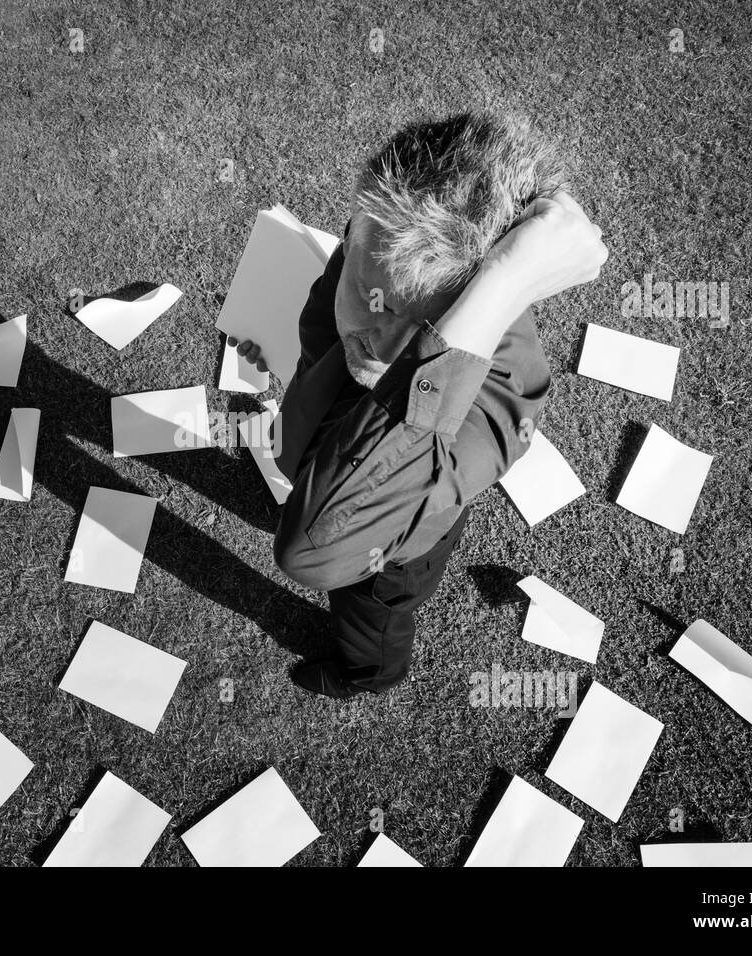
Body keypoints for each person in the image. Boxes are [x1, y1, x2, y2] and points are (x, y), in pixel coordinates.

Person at [229, 112, 608, 698]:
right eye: (368, 294)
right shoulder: (384, 243)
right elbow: (329, 319)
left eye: (425, 328)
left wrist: (506, 280)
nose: (378, 339)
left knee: (369, 616)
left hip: (393, 549)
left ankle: (372, 673)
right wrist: (296, 361)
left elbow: (313, 549)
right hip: (333, 470)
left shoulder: (504, 398)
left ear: (487, 306)